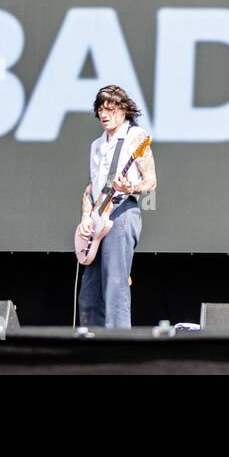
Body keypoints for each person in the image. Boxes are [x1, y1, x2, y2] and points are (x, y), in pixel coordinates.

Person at [77, 85, 157, 328]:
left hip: (122, 212)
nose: (105, 115)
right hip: (98, 217)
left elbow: (151, 181)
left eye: (110, 109)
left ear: (123, 110)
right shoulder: (96, 145)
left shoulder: (136, 137)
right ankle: (91, 343)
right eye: (101, 109)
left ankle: (118, 345)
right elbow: (91, 188)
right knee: (89, 290)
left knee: (115, 283)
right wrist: (85, 217)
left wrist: (130, 188)